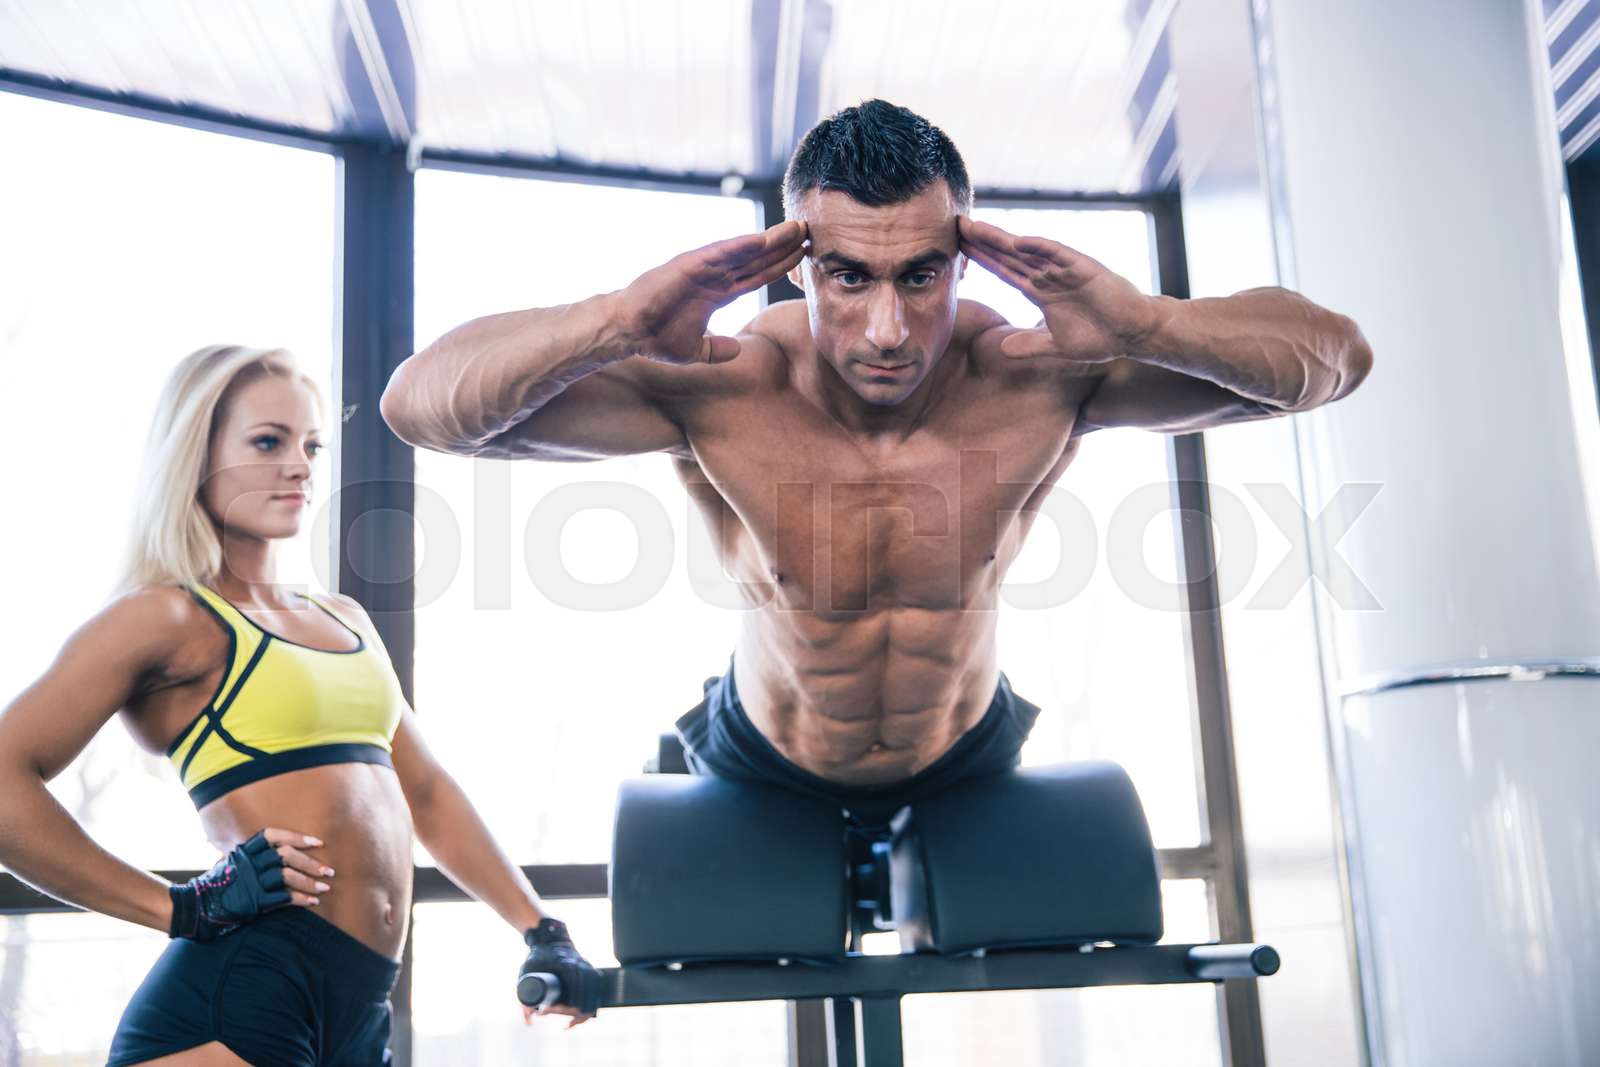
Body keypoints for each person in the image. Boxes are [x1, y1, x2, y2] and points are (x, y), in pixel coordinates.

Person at [379, 99, 1373, 831]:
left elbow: (1330, 364)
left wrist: (1146, 324)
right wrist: (617, 322)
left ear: (965, 256)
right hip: (764, 750)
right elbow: (426, 408)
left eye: (921, 274)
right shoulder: (721, 382)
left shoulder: (1041, 373)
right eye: (848, 276)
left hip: (969, 743)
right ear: (797, 259)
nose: (888, 327)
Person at [0, 346, 602, 1066]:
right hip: (242, 995)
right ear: (195, 454)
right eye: (268, 441)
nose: (300, 464)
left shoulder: (343, 616)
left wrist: (541, 929)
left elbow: (429, 795)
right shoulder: (165, 617)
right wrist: (181, 906)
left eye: (311, 444)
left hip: (360, 1005)